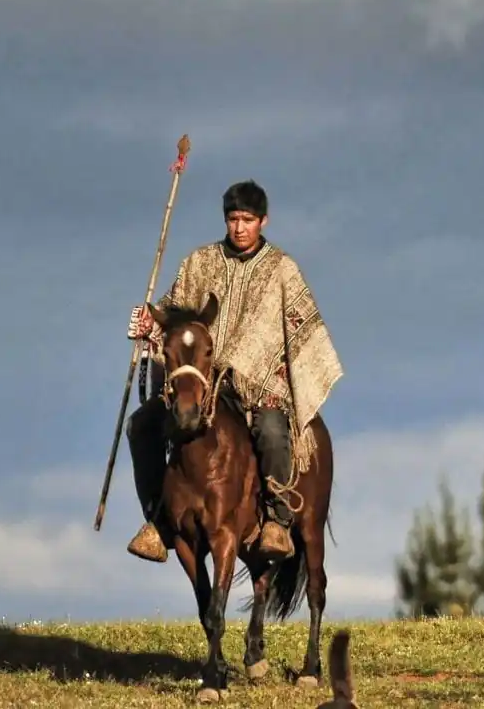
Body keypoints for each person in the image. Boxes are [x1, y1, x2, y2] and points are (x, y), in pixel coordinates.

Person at [122, 180, 344, 563]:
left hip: (259, 385)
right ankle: (158, 519)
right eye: (233, 219)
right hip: (200, 380)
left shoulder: (282, 270)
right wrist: (148, 324)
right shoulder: (199, 263)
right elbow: (172, 313)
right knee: (142, 425)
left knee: (273, 431)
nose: (239, 228)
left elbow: (301, 329)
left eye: (247, 220)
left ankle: (276, 518)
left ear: (263, 221)